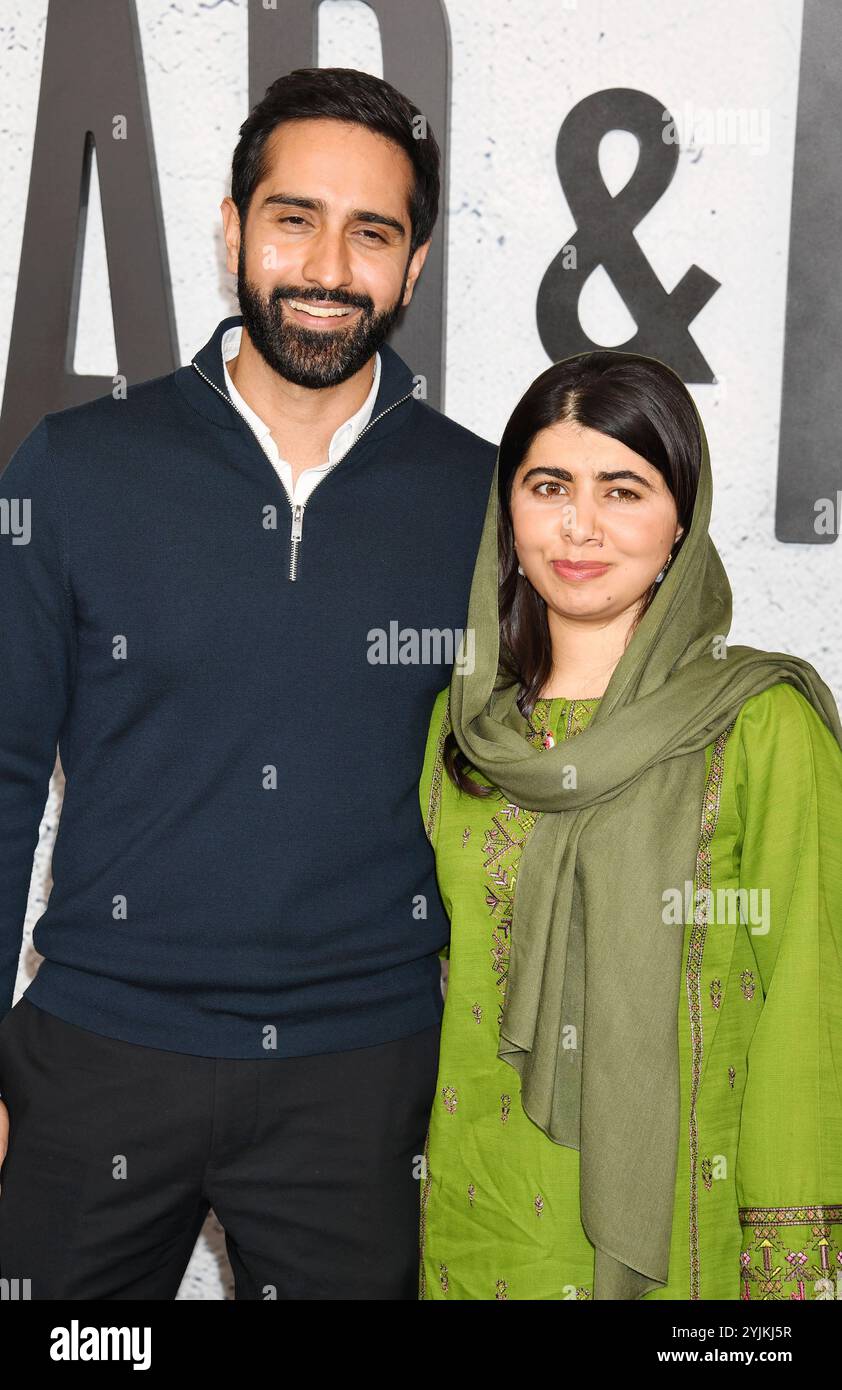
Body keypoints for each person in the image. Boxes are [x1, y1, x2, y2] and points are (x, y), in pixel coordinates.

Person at [0, 67, 495, 1299]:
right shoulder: (76, 465)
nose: (328, 263)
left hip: (361, 1070)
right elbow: (5, 770)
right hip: (101, 1049)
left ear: (414, 263)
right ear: (230, 230)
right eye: (293, 218)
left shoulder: (482, 500)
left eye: (371, 231)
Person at [417, 349, 842, 1300]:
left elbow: (811, 1012)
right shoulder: (467, 733)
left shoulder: (759, 721)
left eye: (624, 489)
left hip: (691, 1231)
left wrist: (792, 1280)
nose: (581, 525)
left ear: (681, 518)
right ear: (507, 511)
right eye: (549, 485)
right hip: (480, 1217)